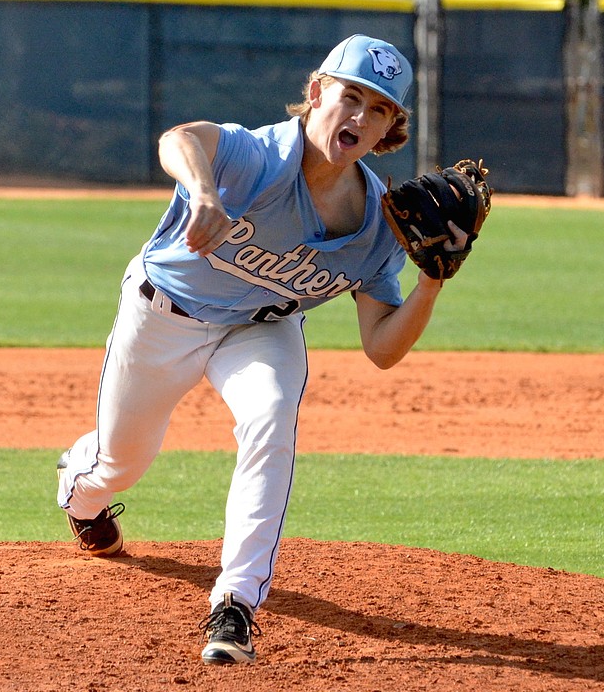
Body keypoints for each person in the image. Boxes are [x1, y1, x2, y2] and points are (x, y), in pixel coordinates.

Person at [55, 33, 469, 665]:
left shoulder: (379, 223)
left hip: (261, 327)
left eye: (378, 108)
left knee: (272, 417)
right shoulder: (258, 157)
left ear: (390, 128)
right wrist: (206, 192)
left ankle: (236, 604)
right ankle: (81, 494)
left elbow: (382, 347)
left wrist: (432, 285)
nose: (359, 116)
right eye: (349, 97)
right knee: (121, 460)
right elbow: (180, 139)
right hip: (165, 316)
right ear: (315, 94)